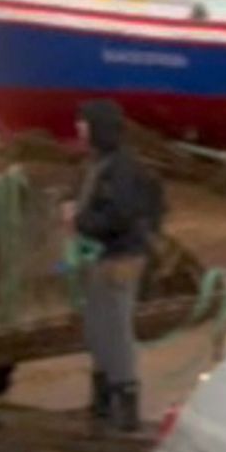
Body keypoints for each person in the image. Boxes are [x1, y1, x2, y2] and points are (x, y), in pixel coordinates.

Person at [69, 99, 165, 434]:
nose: (79, 129)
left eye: (84, 124)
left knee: (114, 328)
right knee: (98, 326)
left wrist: (79, 221)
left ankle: (124, 400)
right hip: (107, 256)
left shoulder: (119, 169)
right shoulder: (105, 163)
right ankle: (104, 396)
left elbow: (120, 216)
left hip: (119, 258)